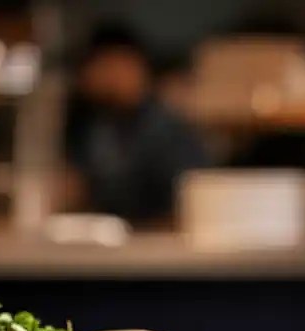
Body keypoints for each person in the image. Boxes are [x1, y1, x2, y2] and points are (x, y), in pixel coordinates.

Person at [60, 23, 209, 228]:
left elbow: (189, 205)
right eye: (101, 66)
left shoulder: (168, 129)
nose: (111, 78)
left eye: (118, 65)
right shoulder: (89, 124)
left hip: (158, 243)